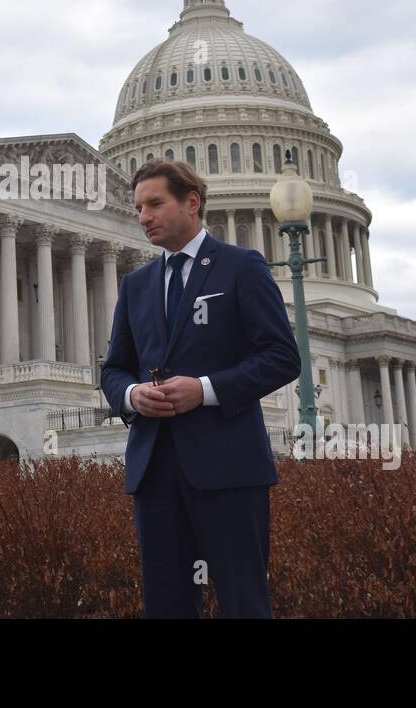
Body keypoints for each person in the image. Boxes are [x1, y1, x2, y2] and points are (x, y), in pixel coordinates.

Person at [101, 160, 300, 617]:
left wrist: (205, 389)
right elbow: (114, 370)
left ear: (192, 203)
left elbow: (282, 357)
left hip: (228, 467)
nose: (143, 216)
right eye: (138, 207)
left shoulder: (240, 267)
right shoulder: (136, 285)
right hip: (155, 470)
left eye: (155, 204)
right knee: (167, 604)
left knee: (242, 600)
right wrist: (133, 396)